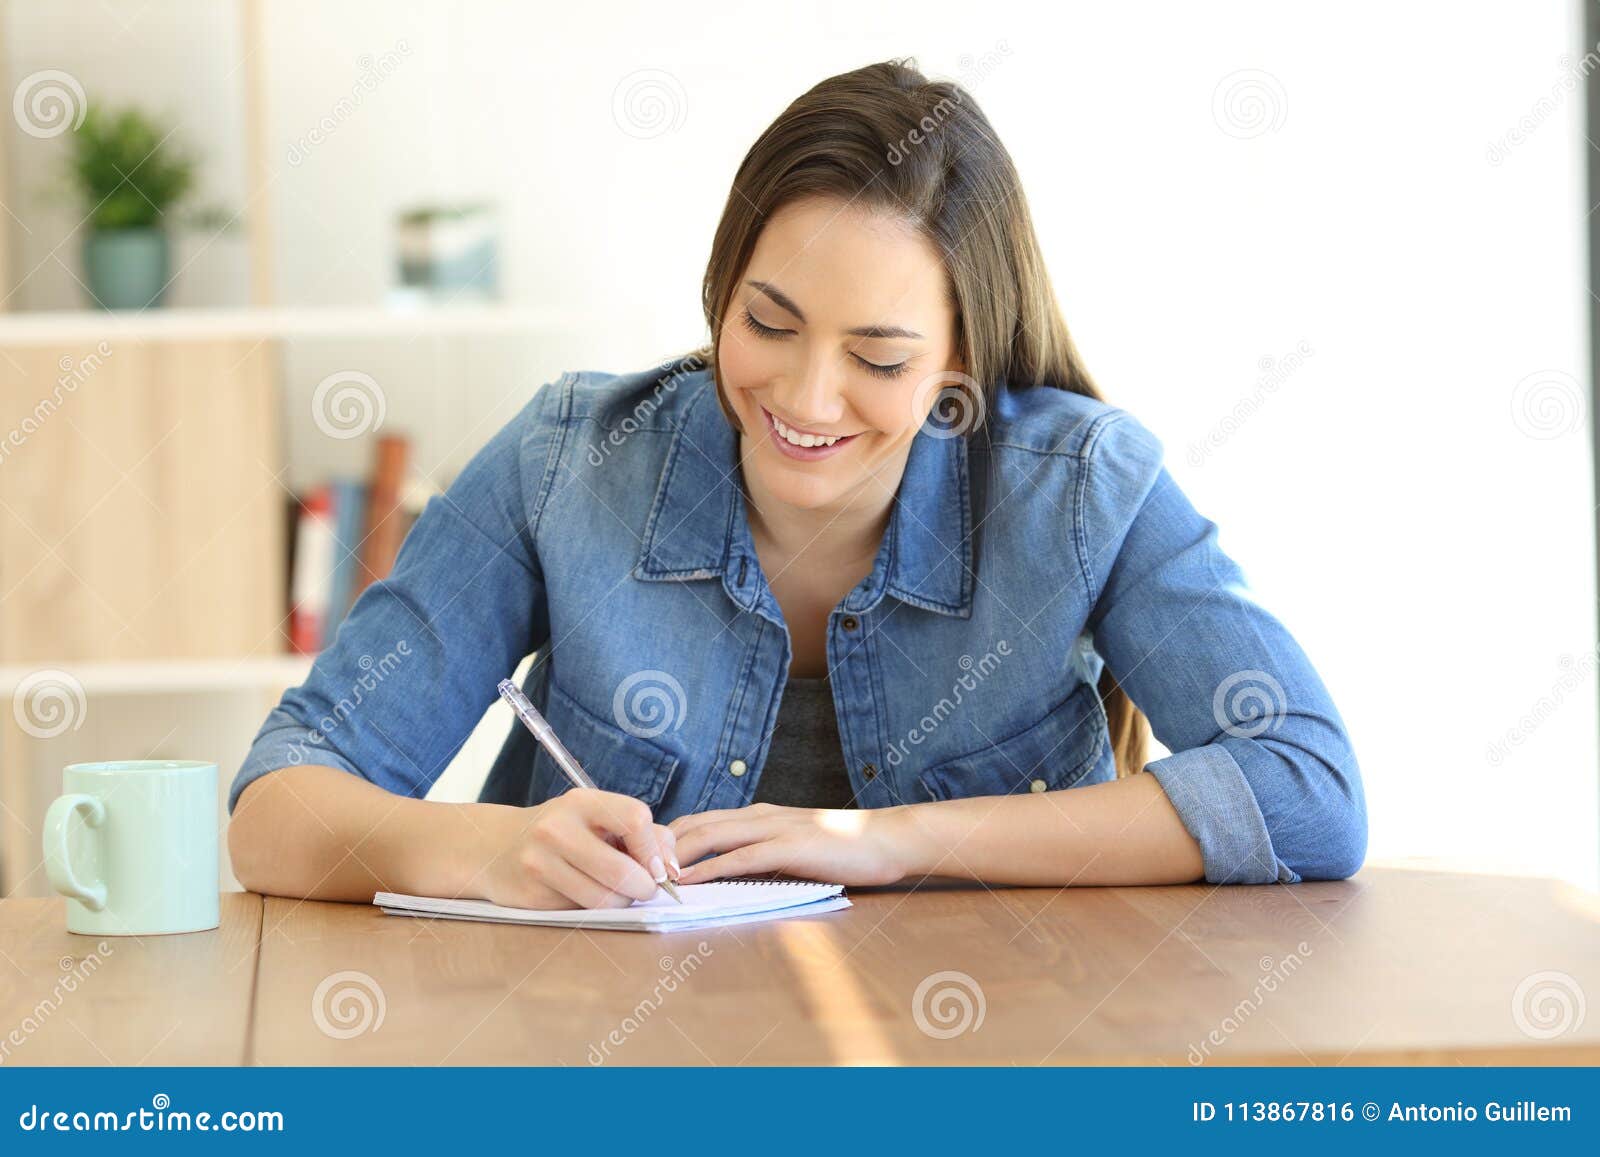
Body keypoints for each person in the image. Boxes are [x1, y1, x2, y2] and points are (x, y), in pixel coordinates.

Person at [227, 59, 1366, 910]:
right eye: (769, 323)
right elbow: (277, 801)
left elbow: (1308, 788)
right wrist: (485, 850)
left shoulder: (1077, 489)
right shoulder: (569, 463)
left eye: (879, 357)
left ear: (961, 363)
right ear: (721, 290)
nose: (808, 397)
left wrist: (886, 840)